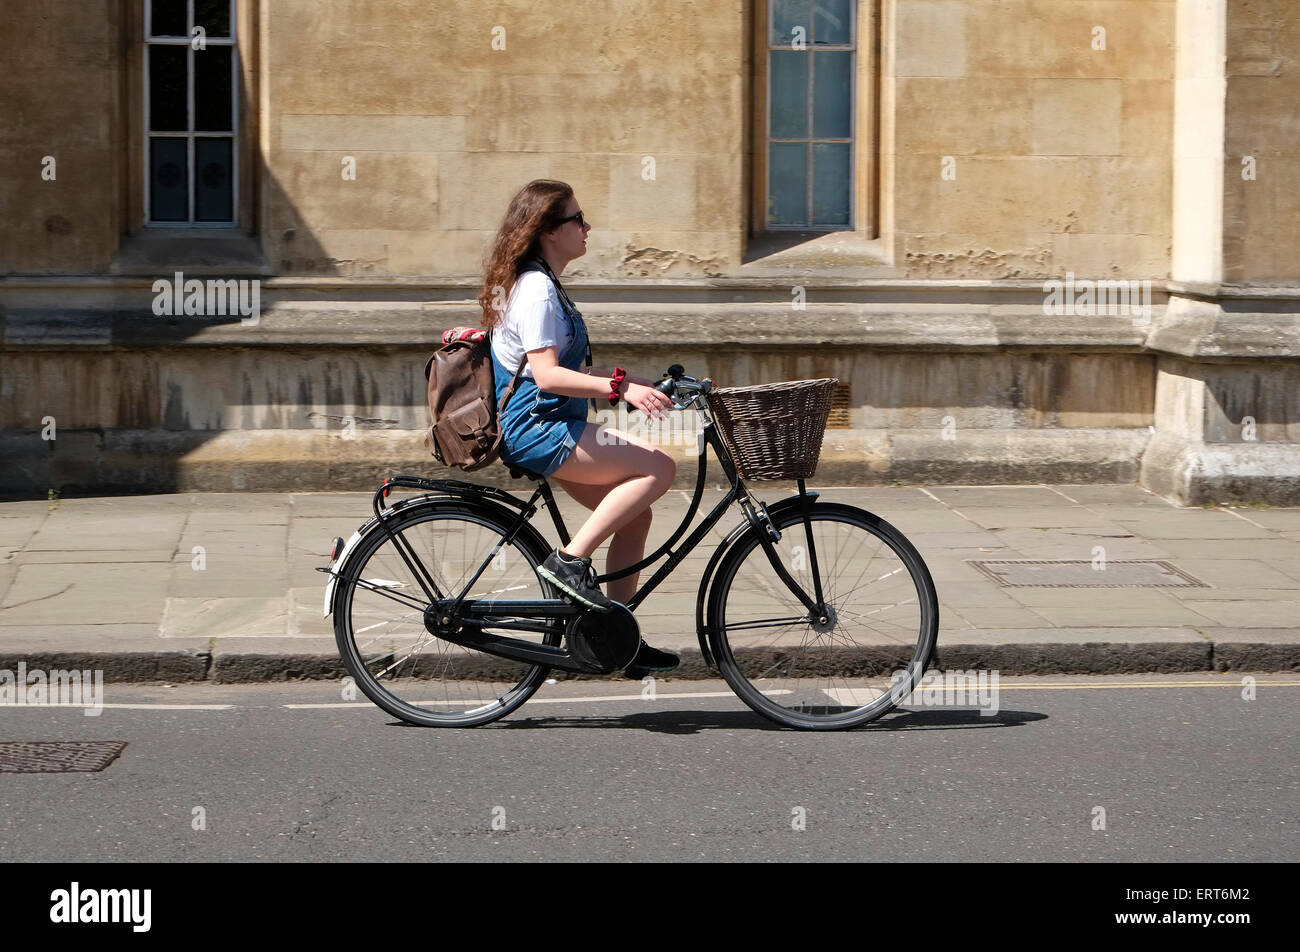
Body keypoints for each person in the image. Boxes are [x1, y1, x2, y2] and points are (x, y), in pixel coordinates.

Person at [479, 179, 680, 672]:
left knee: (636, 514)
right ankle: (569, 561)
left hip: (553, 423)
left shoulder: (542, 284)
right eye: (577, 219)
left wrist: (632, 382)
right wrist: (619, 390)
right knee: (659, 469)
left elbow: (567, 370)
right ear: (549, 230)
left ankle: (617, 639)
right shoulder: (537, 291)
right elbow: (547, 376)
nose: (586, 227)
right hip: (539, 429)